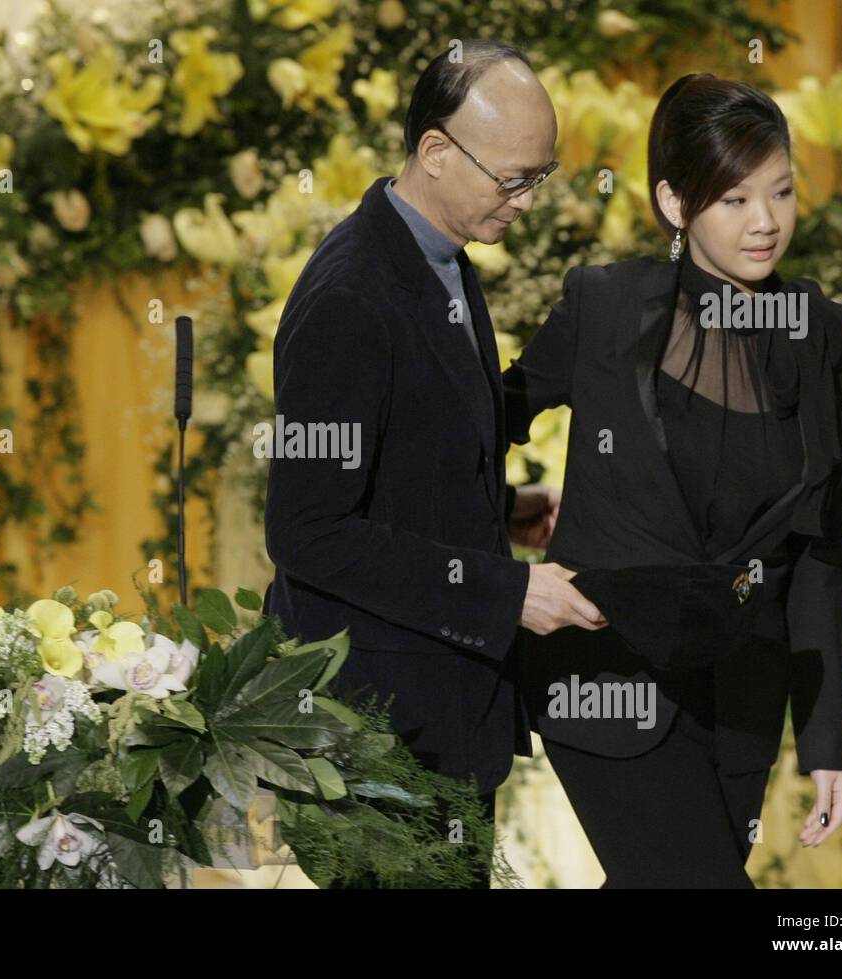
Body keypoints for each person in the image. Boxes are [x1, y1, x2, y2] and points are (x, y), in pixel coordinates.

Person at [262, 40, 605, 888]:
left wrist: (502, 503)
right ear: (437, 152)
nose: (525, 202)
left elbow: (400, 458)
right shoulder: (350, 294)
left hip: (434, 716)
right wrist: (508, 589)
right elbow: (307, 531)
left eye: (541, 176)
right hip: (375, 735)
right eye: (513, 178)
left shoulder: (438, 252)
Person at [504, 73, 842, 887]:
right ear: (674, 203)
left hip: (741, 701)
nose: (765, 222)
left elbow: (820, 548)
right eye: (732, 200)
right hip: (605, 681)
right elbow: (476, 427)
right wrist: (497, 524)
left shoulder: (823, 335)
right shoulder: (604, 305)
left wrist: (827, 739)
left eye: (780, 191)